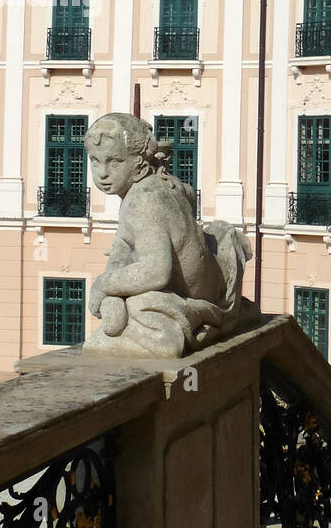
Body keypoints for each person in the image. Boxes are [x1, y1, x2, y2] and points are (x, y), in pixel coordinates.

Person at [83, 113, 252, 357]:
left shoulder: (144, 201)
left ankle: (164, 337)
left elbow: (156, 271)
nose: (103, 173)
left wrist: (103, 284)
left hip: (199, 293)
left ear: (139, 166)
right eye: (95, 161)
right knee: (128, 299)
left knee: (140, 306)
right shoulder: (152, 187)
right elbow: (122, 249)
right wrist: (111, 291)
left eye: (115, 162)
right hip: (208, 278)